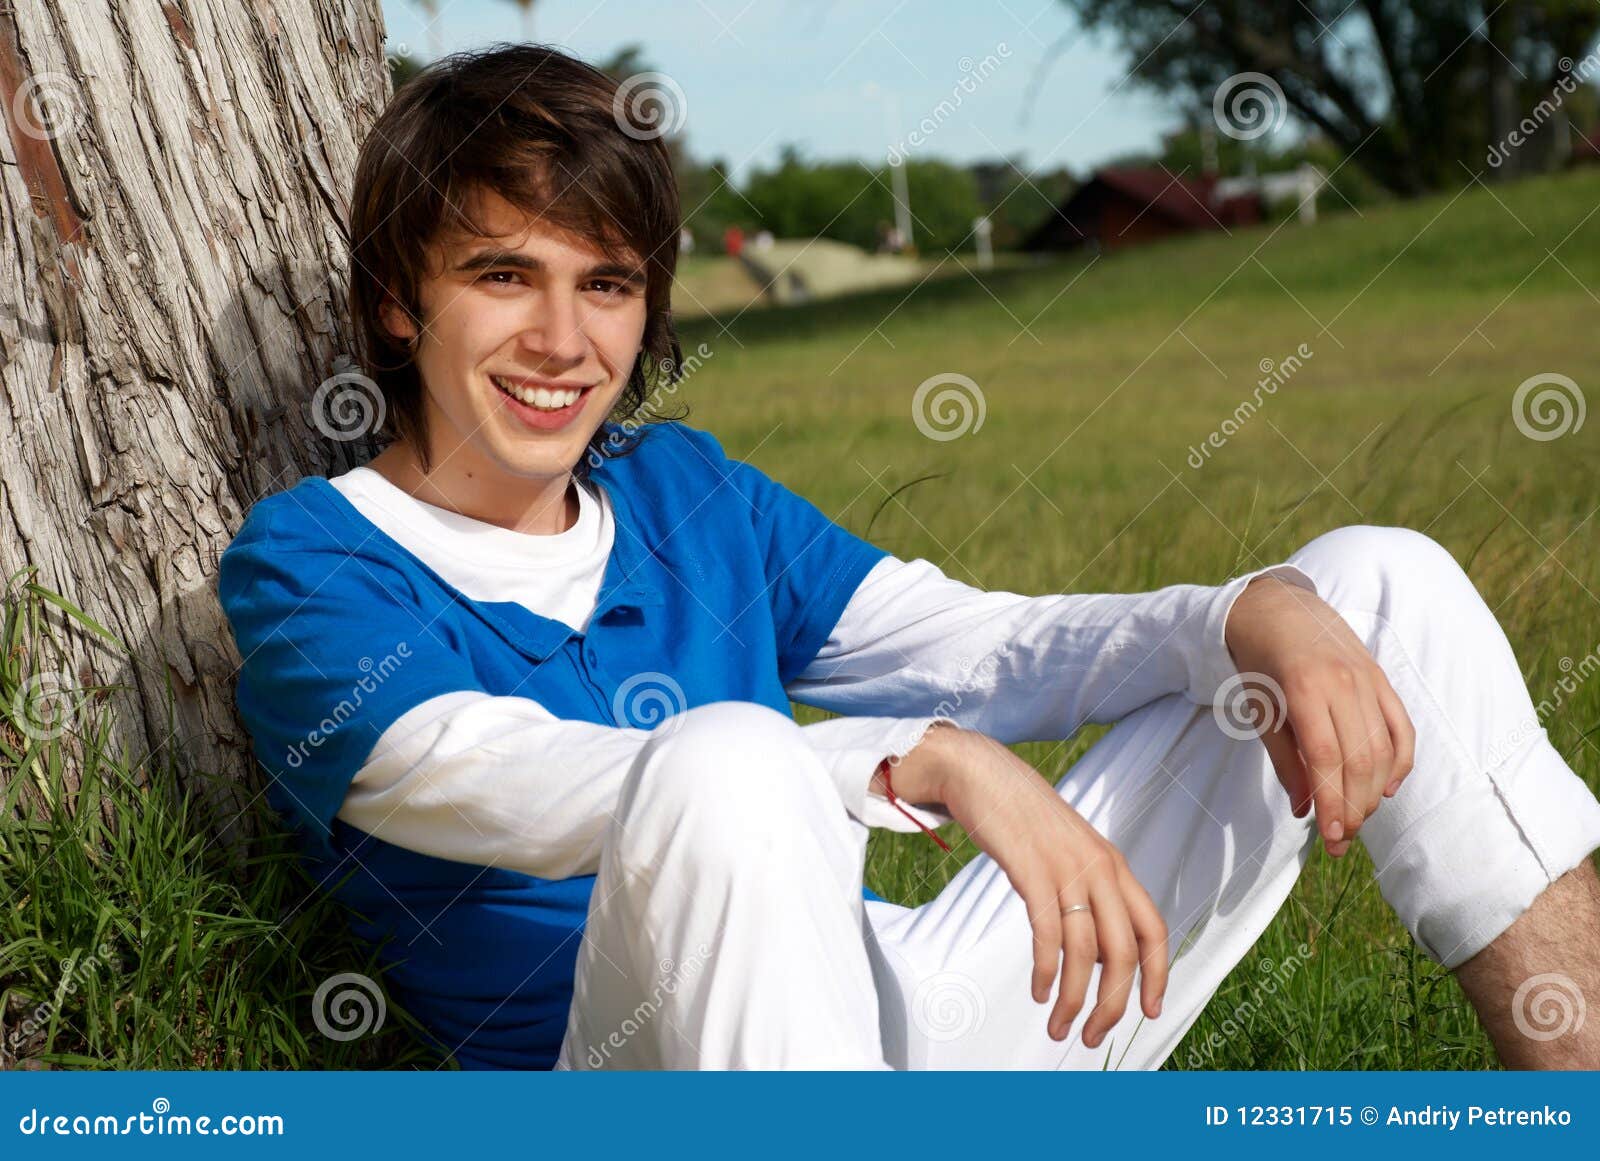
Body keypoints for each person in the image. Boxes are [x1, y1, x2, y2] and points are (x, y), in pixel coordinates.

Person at [217, 43, 1600, 1071]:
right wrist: (909, 758)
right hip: (640, 1085)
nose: (563, 342)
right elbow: (522, 786)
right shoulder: (310, 566)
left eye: (610, 284)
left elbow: (984, 642)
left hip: (895, 1021)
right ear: (399, 302)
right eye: (505, 276)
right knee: (721, 760)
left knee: (1373, 586)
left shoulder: (687, 493)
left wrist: (1241, 613)